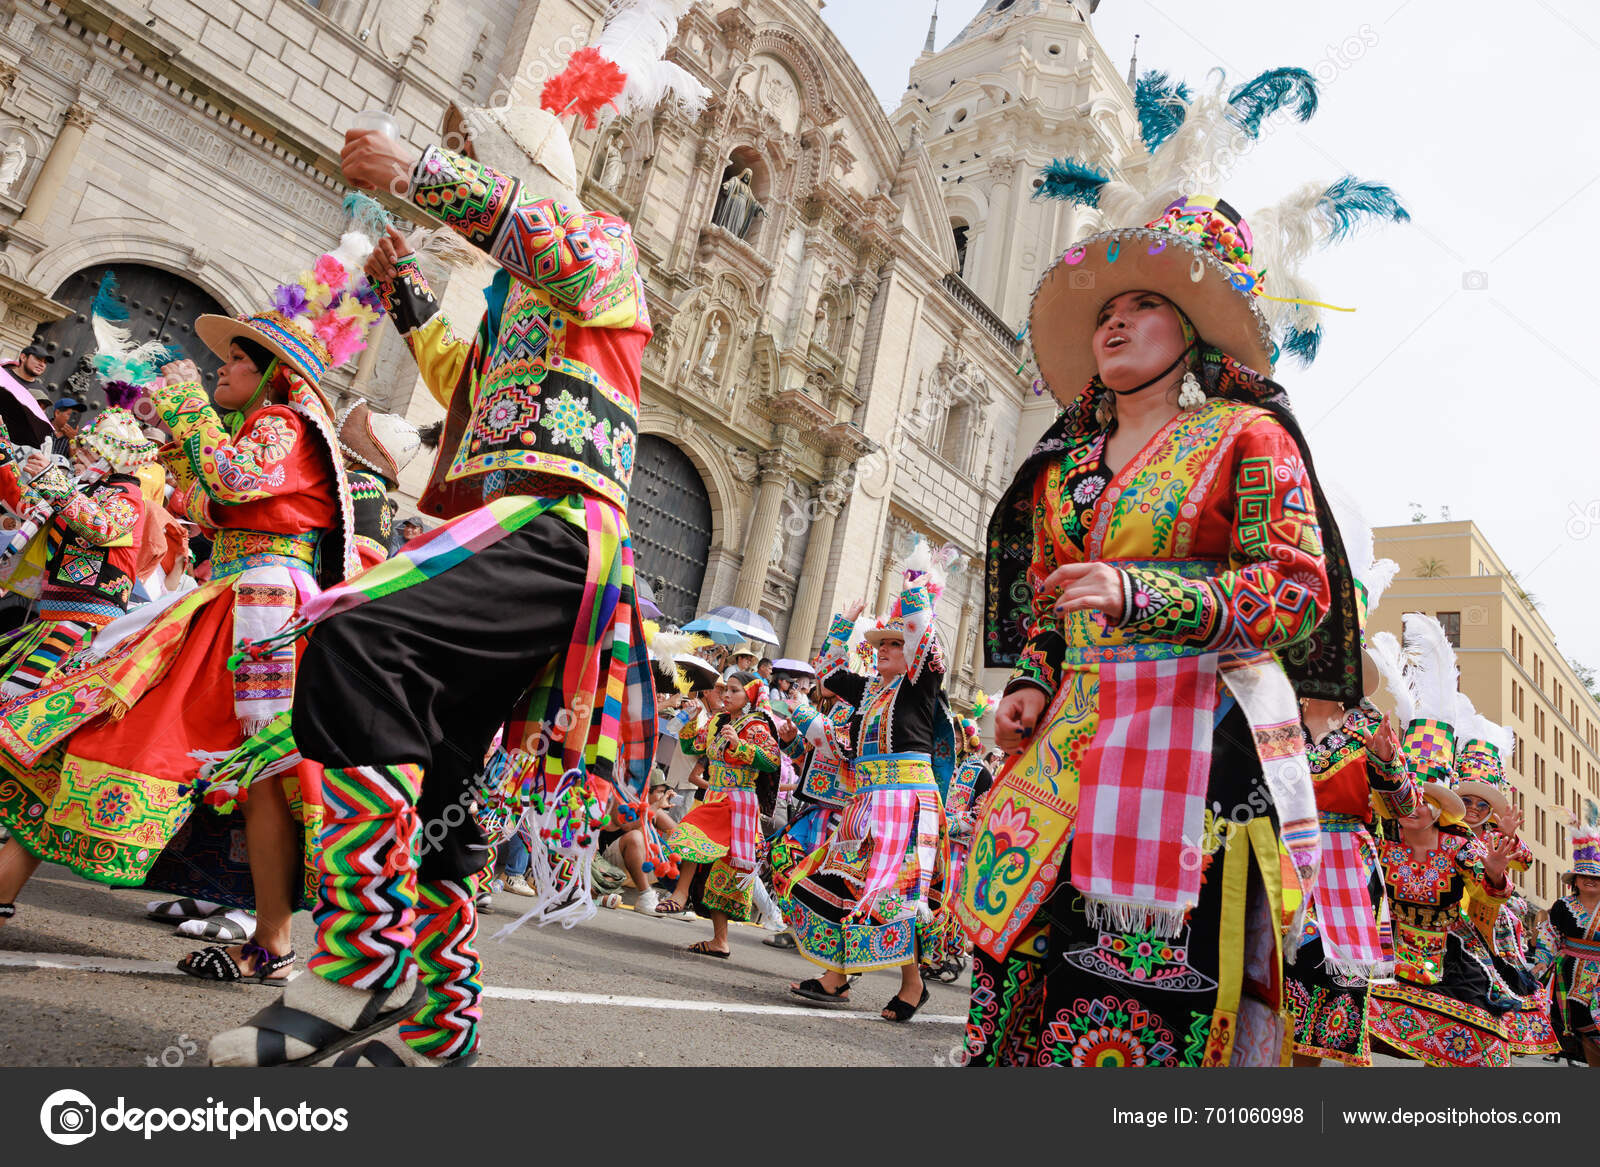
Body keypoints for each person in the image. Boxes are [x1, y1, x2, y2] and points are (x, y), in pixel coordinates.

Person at [959, 64, 1409, 1064]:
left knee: (1148, 982)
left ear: (1195, 333)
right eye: (1106, 308)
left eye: (1143, 307)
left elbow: (1292, 591)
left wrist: (1138, 590)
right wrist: (1033, 676)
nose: (1114, 321)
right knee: (1026, 955)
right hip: (1072, 737)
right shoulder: (1065, 469)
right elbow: (1047, 604)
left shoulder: (1250, 438)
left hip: (1198, 743)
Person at [207, 97, 658, 1069]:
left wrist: (418, 170)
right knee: (448, 767)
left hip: (558, 528)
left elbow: (544, 239)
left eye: (472, 157)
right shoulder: (519, 309)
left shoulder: (601, 250)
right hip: (523, 532)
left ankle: (366, 960)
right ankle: (439, 1032)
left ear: (513, 168)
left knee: (360, 635)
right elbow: (469, 383)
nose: (457, 168)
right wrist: (405, 288)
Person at [0, 245, 370, 959]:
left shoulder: (283, 426)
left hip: (258, 610)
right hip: (228, 601)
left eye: (234, 360)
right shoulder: (269, 432)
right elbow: (212, 507)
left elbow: (230, 482)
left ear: (271, 376)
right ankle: (268, 942)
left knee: (233, 764)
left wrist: (187, 409)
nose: (219, 369)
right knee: (129, 726)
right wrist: (176, 456)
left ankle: (270, 942)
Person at [783, 552, 951, 1023]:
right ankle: (840, 979)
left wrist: (915, 584)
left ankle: (910, 985)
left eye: (894, 645)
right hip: (867, 800)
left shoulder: (921, 683)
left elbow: (923, 635)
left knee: (892, 891)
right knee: (848, 881)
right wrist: (844, 623)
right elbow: (827, 669)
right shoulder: (872, 690)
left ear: (912, 652)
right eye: (879, 645)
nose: (884, 651)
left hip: (904, 800)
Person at [656, 673, 780, 956]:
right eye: (724, 690)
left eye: (734, 691)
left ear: (748, 697)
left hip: (737, 802)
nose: (725, 695)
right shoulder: (717, 722)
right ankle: (719, 941)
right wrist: (688, 720)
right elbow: (691, 747)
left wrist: (740, 745)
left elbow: (771, 761)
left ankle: (680, 893)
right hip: (715, 797)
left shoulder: (756, 724)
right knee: (717, 871)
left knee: (691, 832)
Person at [1540, 823, 1600, 1067]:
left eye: (1596, 877)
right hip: (1568, 974)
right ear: (1575, 880)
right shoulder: (1563, 906)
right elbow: (1550, 935)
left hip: (1598, 976)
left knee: (1594, 1026)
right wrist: (1542, 962)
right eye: (1585, 875)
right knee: (1579, 1021)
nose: (1591, 880)